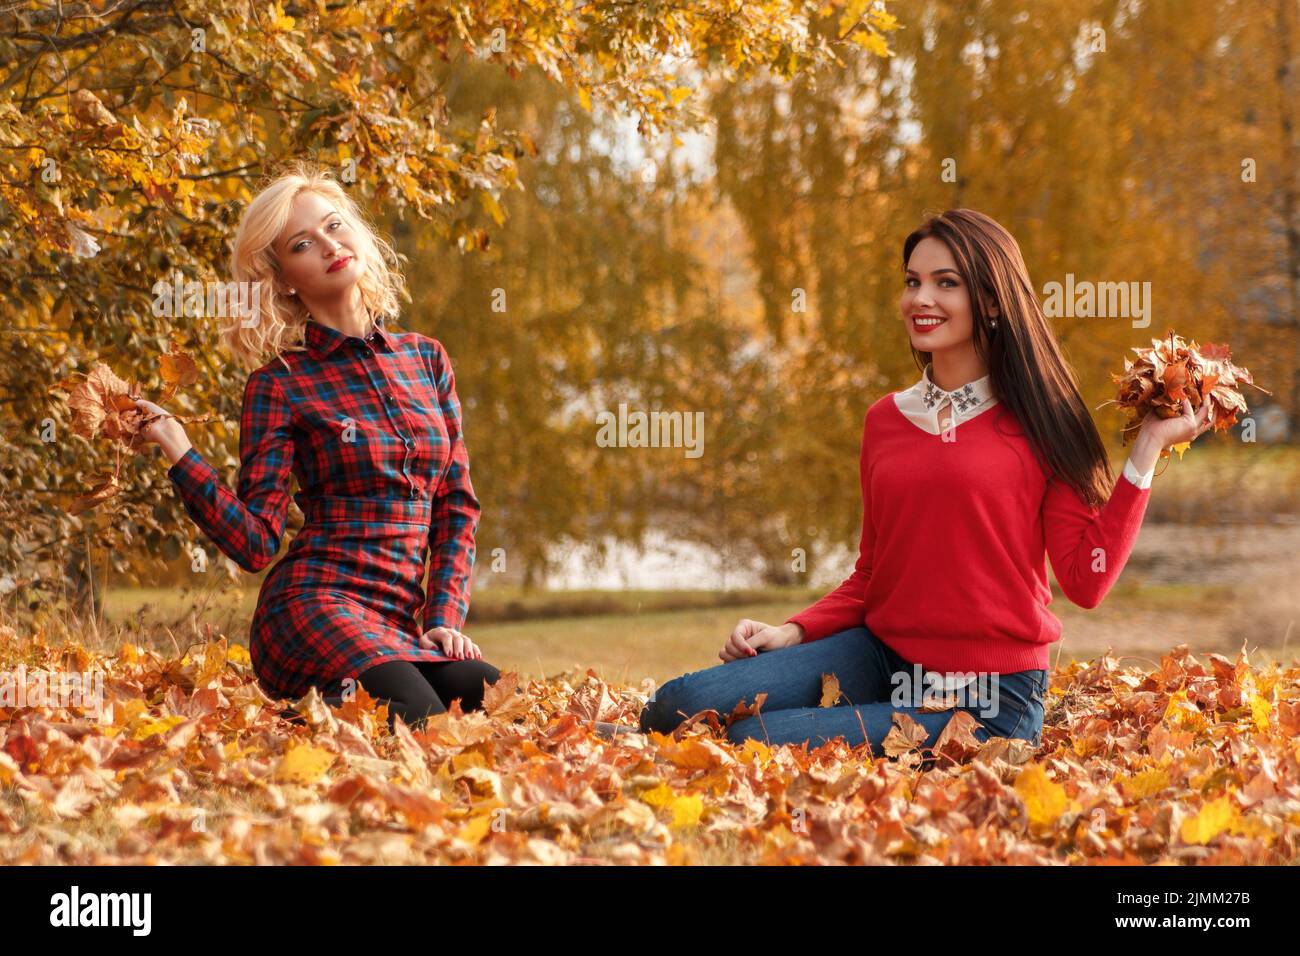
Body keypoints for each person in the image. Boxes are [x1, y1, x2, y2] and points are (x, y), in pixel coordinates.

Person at [634, 208, 1214, 757]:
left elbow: (1086, 581)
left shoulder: (1044, 419)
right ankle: (859, 712)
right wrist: (793, 629)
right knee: (675, 706)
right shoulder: (885, 420)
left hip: (989, 699)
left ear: (990, 300)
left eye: (946, 283)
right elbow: (872, 573)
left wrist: (1146, 451)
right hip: (881, 657)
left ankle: (857, 722)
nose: (921, 299)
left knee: (748, 740)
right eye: (913, 282)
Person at [135, 161, 501, 732]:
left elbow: (456, 506)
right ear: (283, 278)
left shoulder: (426, 359)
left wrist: (444, 616)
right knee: (423, 718)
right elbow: (258, 542)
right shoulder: (279, 383)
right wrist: (179, 450)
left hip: (399, 623)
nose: (330, 245)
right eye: (304, 243)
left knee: (492, 703)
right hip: (313, 607)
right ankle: (282, 728)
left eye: (335, 226)